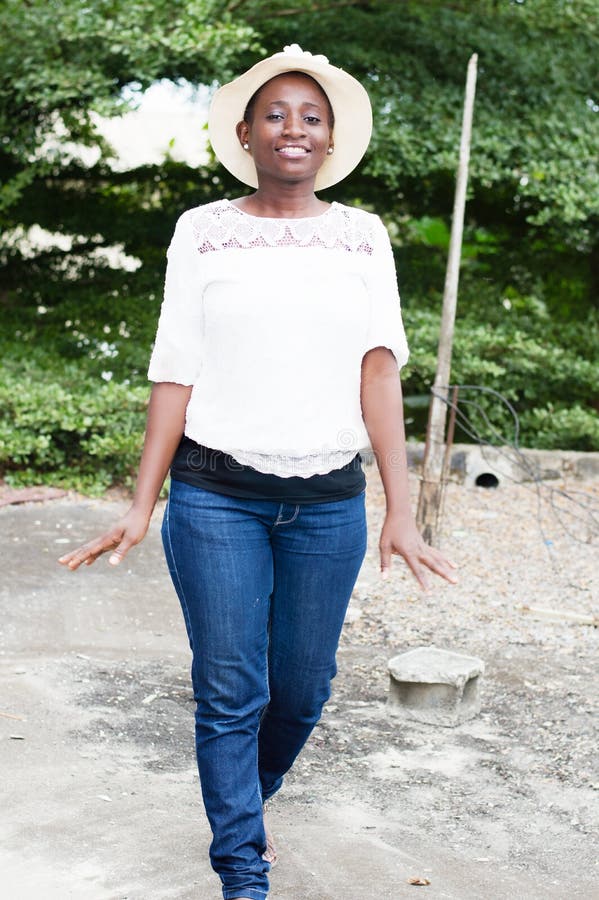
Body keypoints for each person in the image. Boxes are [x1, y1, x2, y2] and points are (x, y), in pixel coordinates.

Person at [59, 45, 457, 900]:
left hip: (326, 506)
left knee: (303, 690)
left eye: (310, 117)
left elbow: (379, 370)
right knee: (231, 690)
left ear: (330, 140)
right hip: (215, 497)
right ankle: (242, 869)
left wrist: (399, 509)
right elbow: (176, 366)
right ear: (245, 134)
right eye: (275, 114)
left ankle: (243, 799)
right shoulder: (202, 230)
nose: (293, 128)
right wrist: (141, 503)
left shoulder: (361, 236)